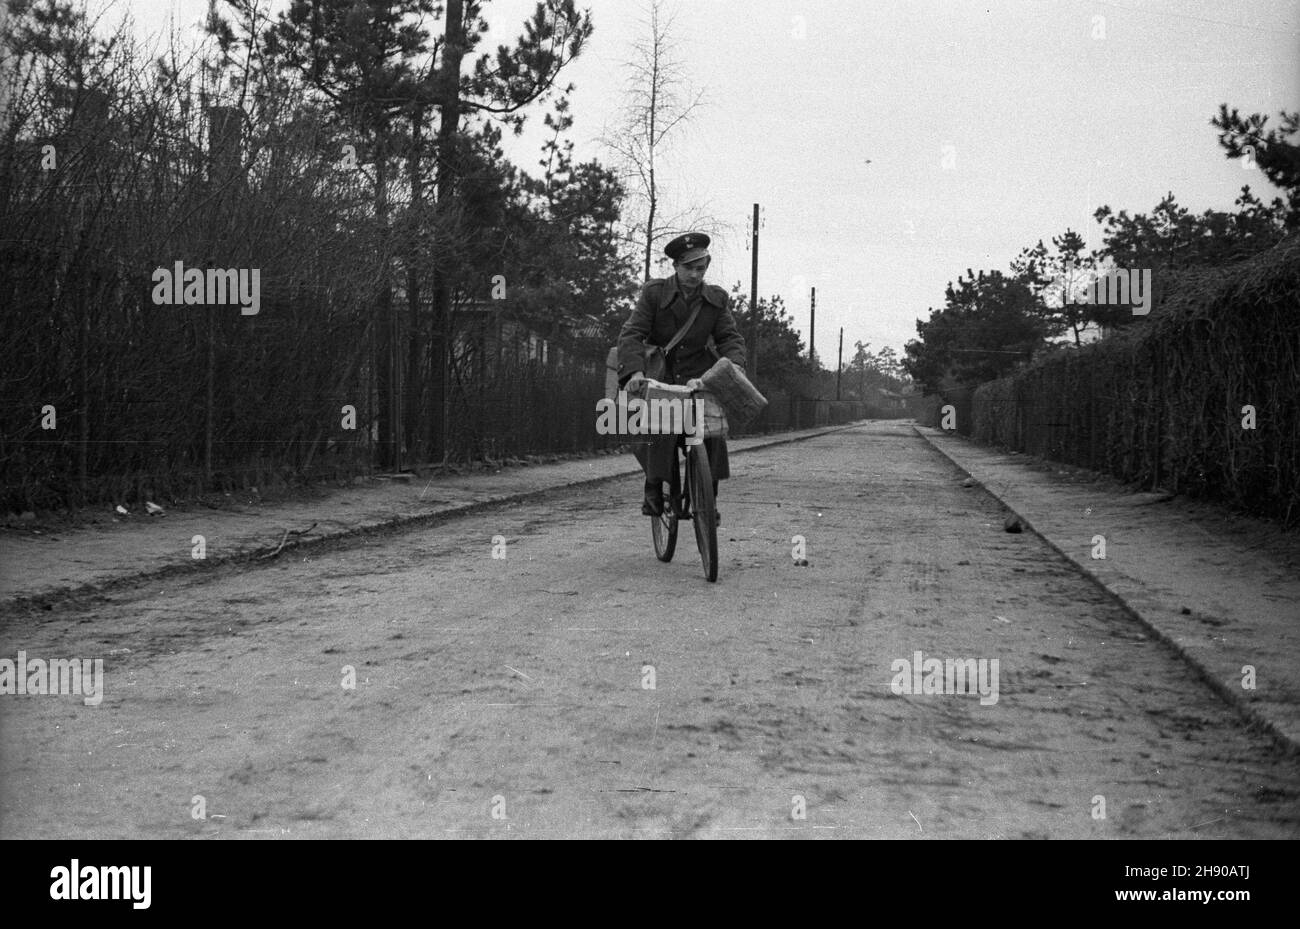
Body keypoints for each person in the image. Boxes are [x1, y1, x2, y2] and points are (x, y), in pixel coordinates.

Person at [617, 232, 748, 519]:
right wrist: (636, 372)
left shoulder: (715, 299)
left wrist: (735, 364)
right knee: (658, 430)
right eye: (688, 267)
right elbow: (632, 333)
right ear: (676, 266)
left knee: (712, 433)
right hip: (662, 374)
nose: (694, 274)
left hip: (699, 376)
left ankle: (708, 501)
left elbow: (730, 338)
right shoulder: (655, 294)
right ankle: (654, 487)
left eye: (700, 268)